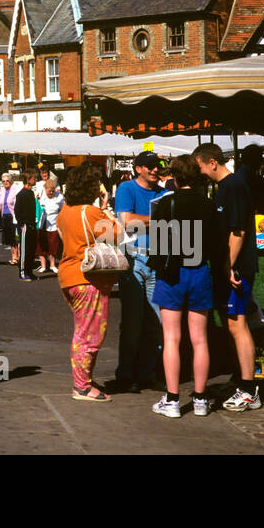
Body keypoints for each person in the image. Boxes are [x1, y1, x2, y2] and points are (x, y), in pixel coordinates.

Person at [149, 154, 216, 418]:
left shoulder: (166, 203)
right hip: (199, 270)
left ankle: (173, 399)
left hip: (172, 274)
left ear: (174, 177)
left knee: (171, 339)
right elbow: (215, 244)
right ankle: (200, 399)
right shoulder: (208, 205)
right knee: (200, 339)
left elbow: (157, 243)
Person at [195, 142, 260, 412]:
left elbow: (238, 231)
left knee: (237, 324)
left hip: (237, 268)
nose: (200, 172)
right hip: (231, 267)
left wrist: (229, 266)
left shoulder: (232, 187)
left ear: (212, 162)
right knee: (234, 324)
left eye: (200, 166)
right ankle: (242, 382)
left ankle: (249, 389)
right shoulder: (225, 187)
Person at [57, 163, 124, 401]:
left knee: (83, 330)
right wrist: (106, 210)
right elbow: (117, 234)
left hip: (69, 276)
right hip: (89, 278)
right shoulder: (91, 212)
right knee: (90, 335)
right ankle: (82, 386)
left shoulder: (65, 210)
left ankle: (83, 379)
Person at [111, 150, 169, 393]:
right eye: (149, 166)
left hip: (157, 261)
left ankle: (147, 373)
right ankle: (126, 373)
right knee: (133, 322)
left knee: (156, 322)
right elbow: (126, 220)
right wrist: (156, 217)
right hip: (133, 262)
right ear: (138, 169)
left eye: (157, 165)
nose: (155, 170)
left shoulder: (164, 192)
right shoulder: (126, 189)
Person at [14, 172, 41, 282]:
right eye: (34, 178)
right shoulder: (21, 194)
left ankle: (29, 272)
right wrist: (21, 223)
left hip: (32, 224)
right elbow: (17, 210)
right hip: (25, 225)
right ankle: (22, 272)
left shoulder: (30, 193)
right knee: (24, 250)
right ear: (28, 179)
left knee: (31, 250)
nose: (35, 180)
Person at [37, 171, 64, 274]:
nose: (51, 193)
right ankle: (43, 266)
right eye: (49, 191)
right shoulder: (41, 198)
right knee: (42, 246)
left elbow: (63, 209)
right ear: (45, 189)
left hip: (54, 225)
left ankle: (52, 265)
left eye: (52, 191)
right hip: (42, 225)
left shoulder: (59, 197)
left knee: (53, 246)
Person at [0, 172, 20, 265]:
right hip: (5, 216)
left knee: (15, 238)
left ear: (11, 181)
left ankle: (17, 257)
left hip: (13, 216)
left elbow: (19, 203)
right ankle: (14, 257)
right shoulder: (2, 190)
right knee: (9, 238)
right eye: (3, 181)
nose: (5, 182)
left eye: (7, 180)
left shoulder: (15, 189)